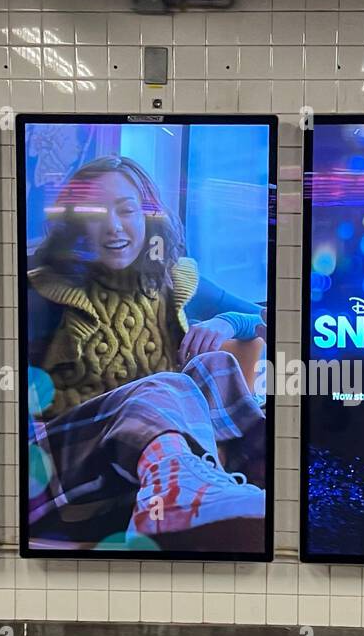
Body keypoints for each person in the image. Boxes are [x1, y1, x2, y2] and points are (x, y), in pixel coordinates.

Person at [26, 154, 268, 550]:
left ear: (148, 217)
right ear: (73, 222)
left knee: (215, 365)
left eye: (127, 210)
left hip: (159, 462)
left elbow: (262, 319)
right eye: (95, 213)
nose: (114, 227)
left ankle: (254, 476)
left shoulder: (174, 279)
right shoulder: (39, 291)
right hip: (65, 466)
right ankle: (172, 498)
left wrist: (224, 323)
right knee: (166, 385)